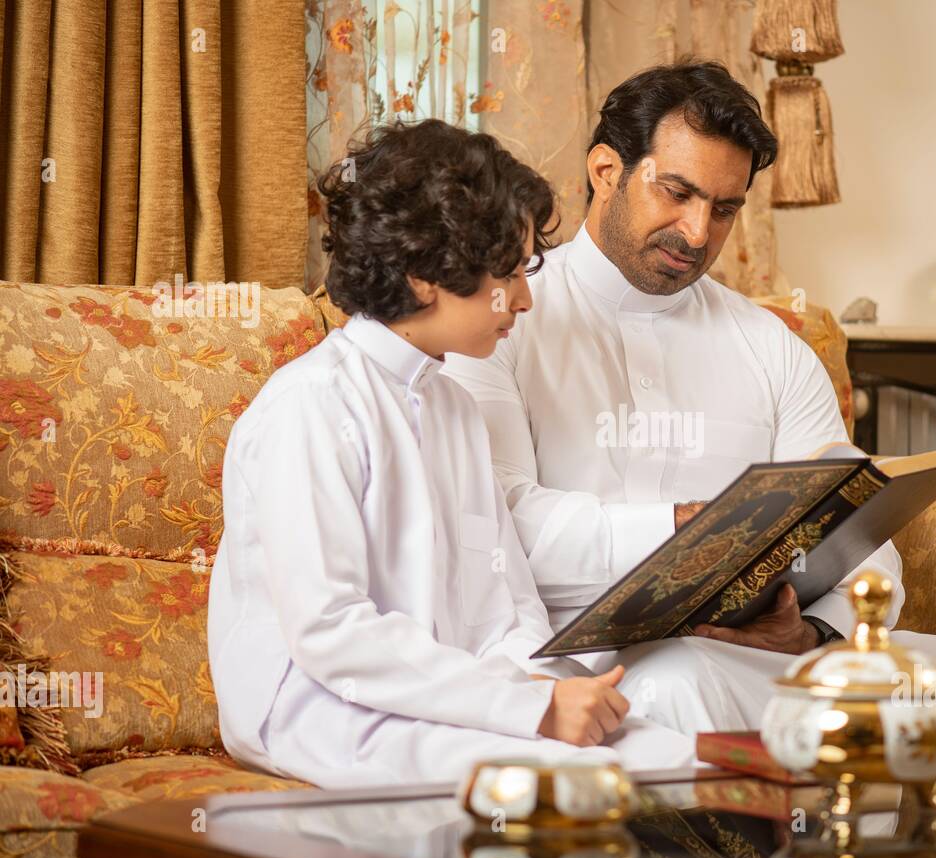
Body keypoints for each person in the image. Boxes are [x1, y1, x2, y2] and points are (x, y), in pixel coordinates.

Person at [444, 59, 936, 749]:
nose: (700, 233)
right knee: (678, 684)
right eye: (677, 193)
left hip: (774, 663)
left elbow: (857, 524)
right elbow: (500, 522)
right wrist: (681, 527)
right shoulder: (499, 317)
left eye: (726, 208)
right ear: (607, 170)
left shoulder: (771, 343)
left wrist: (810, 629)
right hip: (600, 670)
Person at [207, 119, 697, 789]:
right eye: (509, 275)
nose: (524, 299)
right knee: (582, 782)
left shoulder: (455, 410)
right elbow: (332, 634)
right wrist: (532, 708)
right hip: (316, 704)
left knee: (674, 757)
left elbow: (507, 613)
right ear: (422, 274)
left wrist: (557, 692)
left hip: (444, 694)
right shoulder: (309, 407)